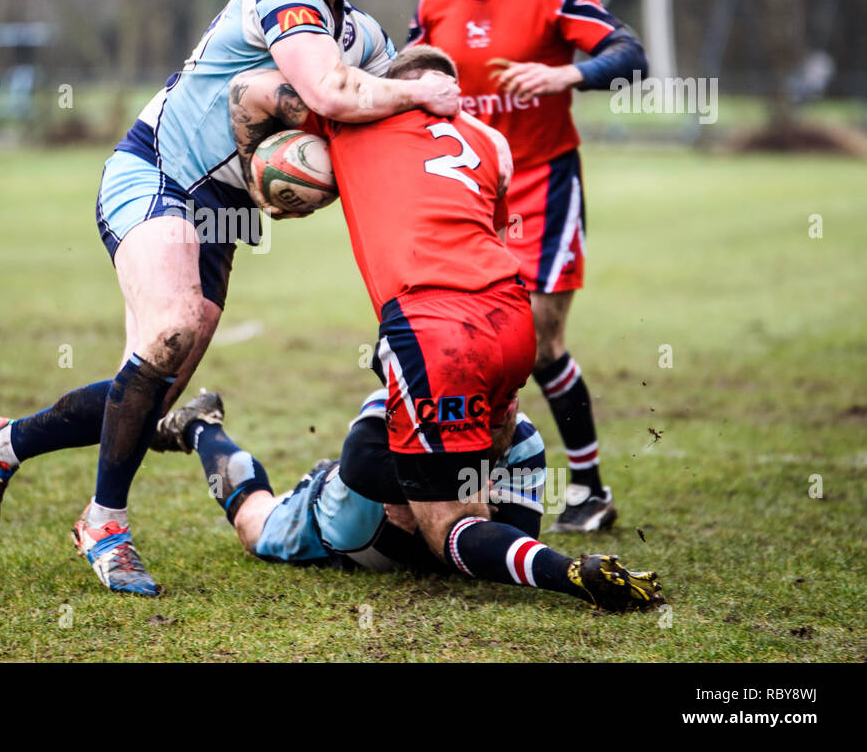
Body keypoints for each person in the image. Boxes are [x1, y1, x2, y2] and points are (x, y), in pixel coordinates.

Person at [0, 0, 462, 597]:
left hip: (220, 216)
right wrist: (415, 90)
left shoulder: (362, 33)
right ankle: (104, 520)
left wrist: (432, 94)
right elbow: (329, 91)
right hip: (155, 173)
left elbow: (393, 99)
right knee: (170, 331)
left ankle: (4, 444)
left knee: (150, 392)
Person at [224, 45, 663, 609]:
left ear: (392, 86)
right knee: (484, 455)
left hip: (431, 326)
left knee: (445, 523)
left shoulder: (347, 119)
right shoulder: (490, 140)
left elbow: (250, 90)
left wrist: (258, 184)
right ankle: (474, 513)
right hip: (510, 314)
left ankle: (569, 575)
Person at [408, 0, 649, 532]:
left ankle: (589, 488)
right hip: (468, 200)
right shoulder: (432, 5)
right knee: (468, 345)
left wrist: (565, 72)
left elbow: (632, 56)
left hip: (545, 186)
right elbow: (405, 87)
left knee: (537, 342)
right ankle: (472, 488)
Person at [154, 388, 554, 580]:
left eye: (509, 407)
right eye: (489, 412)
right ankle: (200, 427)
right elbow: (361, 464)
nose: (499, 421)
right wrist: (425, 495)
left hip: (392, 544)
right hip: (338, 512)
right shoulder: (416, 387)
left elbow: (519, 537)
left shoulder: (522, 440)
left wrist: (435, 508)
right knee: (251, 524)